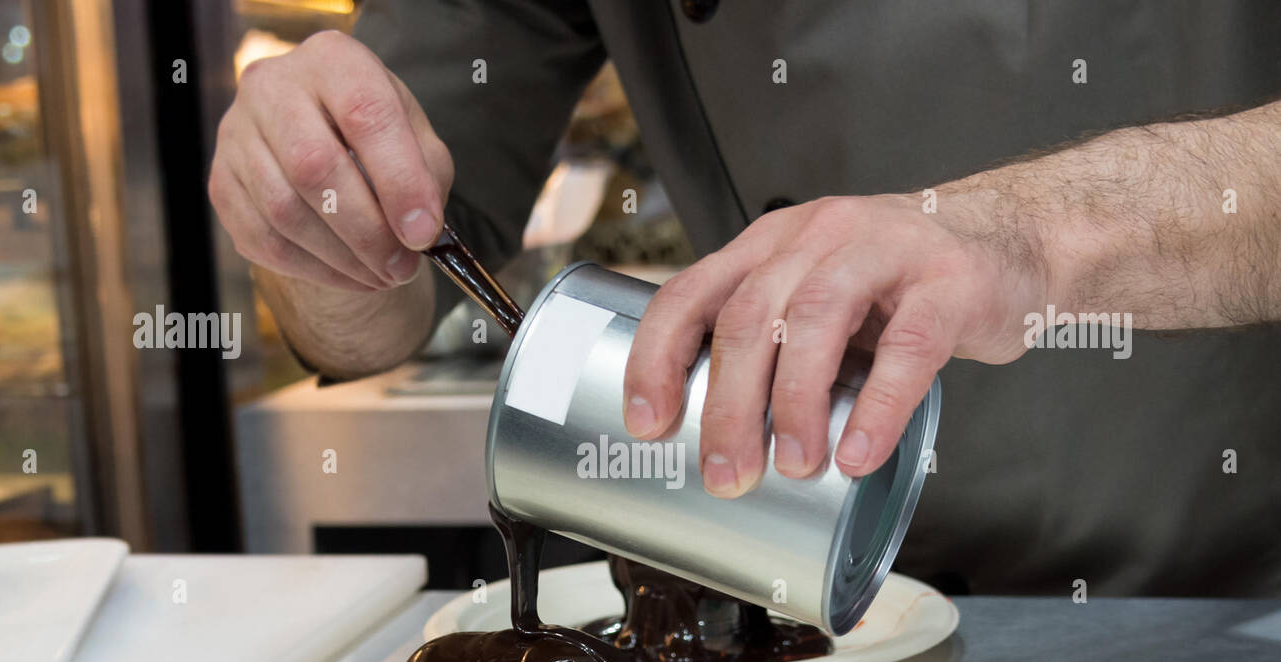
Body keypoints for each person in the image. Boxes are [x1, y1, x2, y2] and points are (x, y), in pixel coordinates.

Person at [208, 0, 1281, 598]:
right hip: (802, 630)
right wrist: (308, 214)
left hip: (1238, 623)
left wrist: (1033, 233)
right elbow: (372, 307)